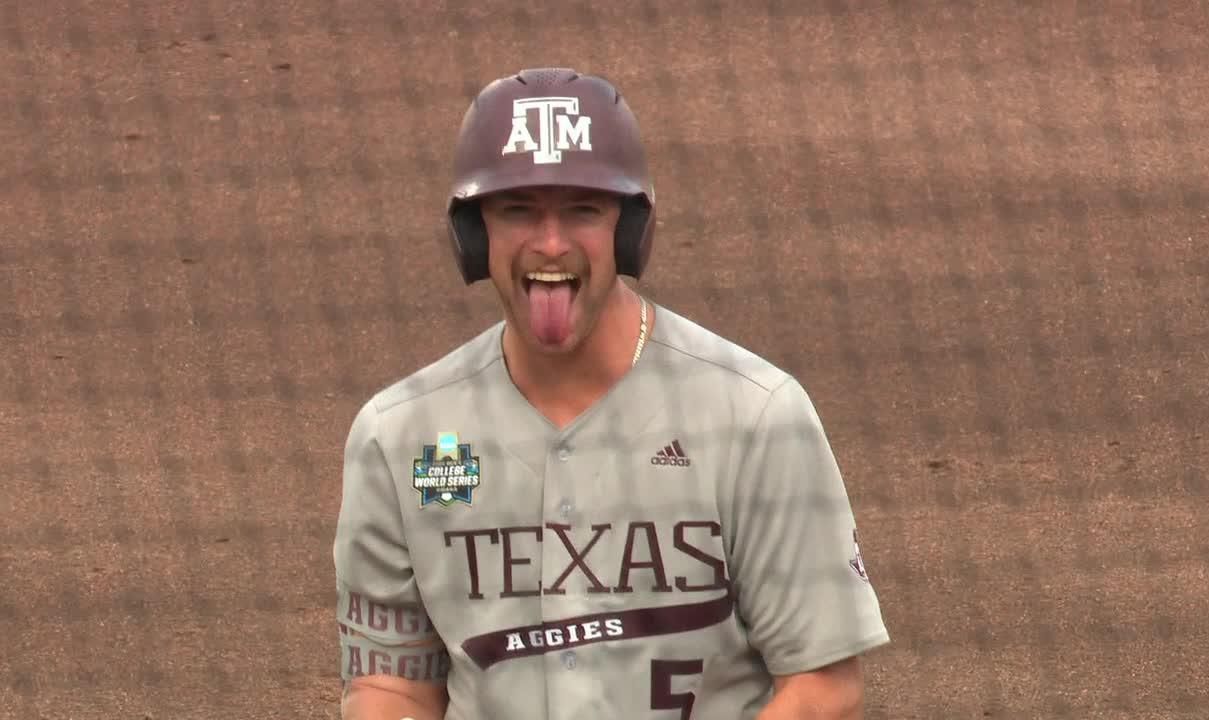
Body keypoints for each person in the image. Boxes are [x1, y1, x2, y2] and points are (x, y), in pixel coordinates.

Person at [332, 67, 890, 720]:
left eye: (583, 209)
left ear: (628, 231)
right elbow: (392, 686)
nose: (550, 241)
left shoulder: (753, 418)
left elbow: (825, 687)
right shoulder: (399, 437)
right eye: (517, 210)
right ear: (474, 232)